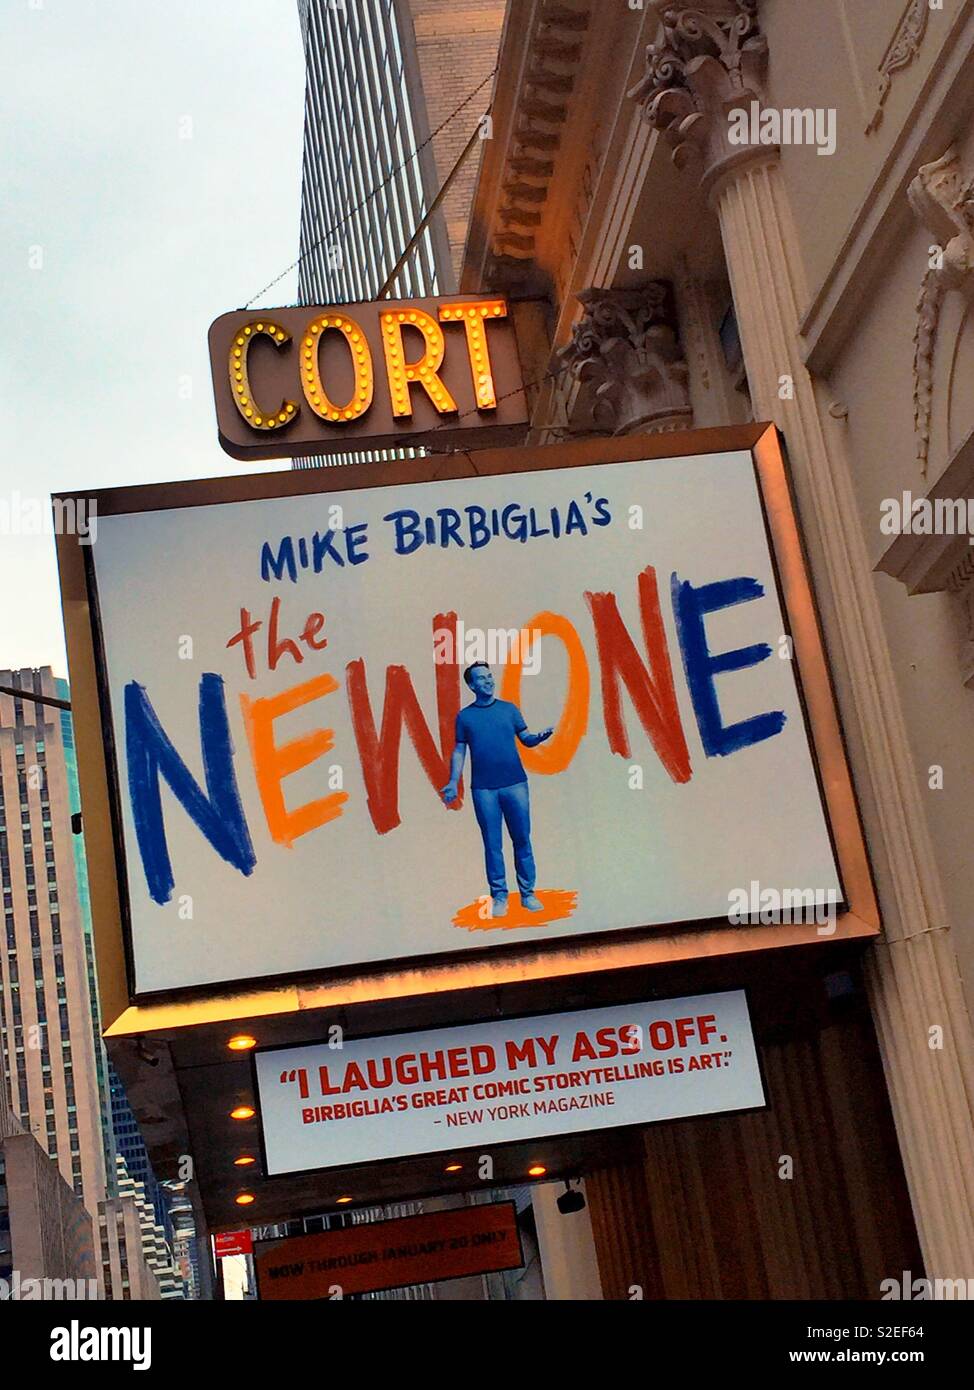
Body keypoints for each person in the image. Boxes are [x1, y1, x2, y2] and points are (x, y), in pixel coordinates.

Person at [440, 661, 553, 918]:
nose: (488, 681)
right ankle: (500, 895)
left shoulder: (509, 709)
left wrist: (538, 738)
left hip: (515, 784)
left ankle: (528, 894)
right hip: (484, 789)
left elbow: (525, 739)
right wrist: (452, 781)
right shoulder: (465, 717)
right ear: (471, 685)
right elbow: (459, 751)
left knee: (522, 839)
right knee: (492, 844)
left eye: (490, 676)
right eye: (481, 678)